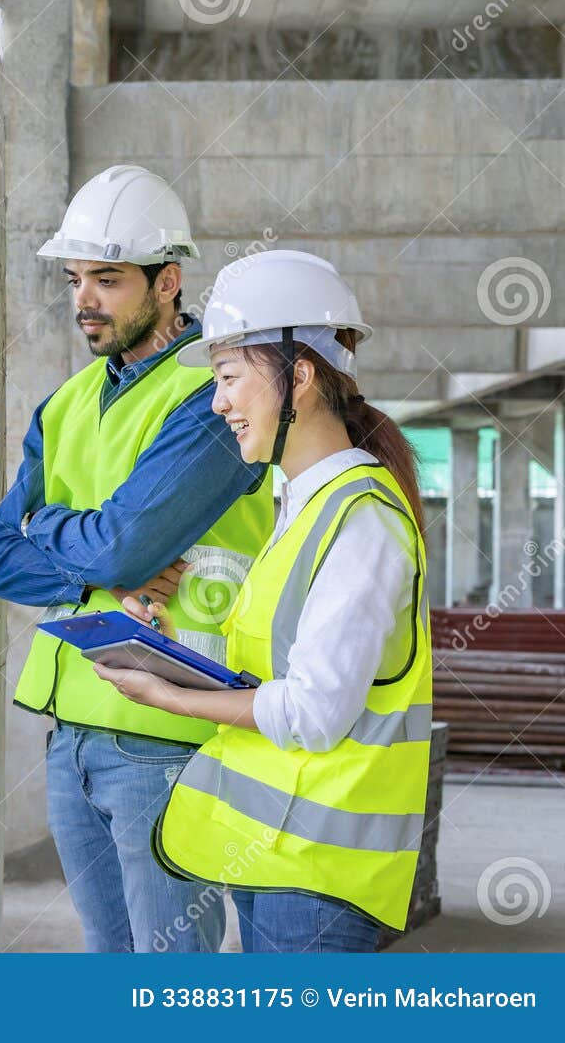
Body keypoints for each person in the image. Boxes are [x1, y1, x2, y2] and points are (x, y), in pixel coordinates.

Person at [97, 249, 432, 953]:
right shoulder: (306, 507)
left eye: (228, 377)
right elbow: (277, 674)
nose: (217, 403)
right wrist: (170, 654)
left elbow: (312, 714)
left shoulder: (360, 521)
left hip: (318, 879)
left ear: (299, 378)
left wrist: (170, 699)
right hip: (278, 860)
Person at [0, 165, 273, 952]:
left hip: (169, 725)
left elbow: (124, 543)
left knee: (171, 973)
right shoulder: (65, 403)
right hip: (71, 729)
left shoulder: (214, 393)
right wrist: (99, 564)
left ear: (167, 281)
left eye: (107, 280)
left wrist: (47, 525)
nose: (85, 299)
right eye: (76, 279)